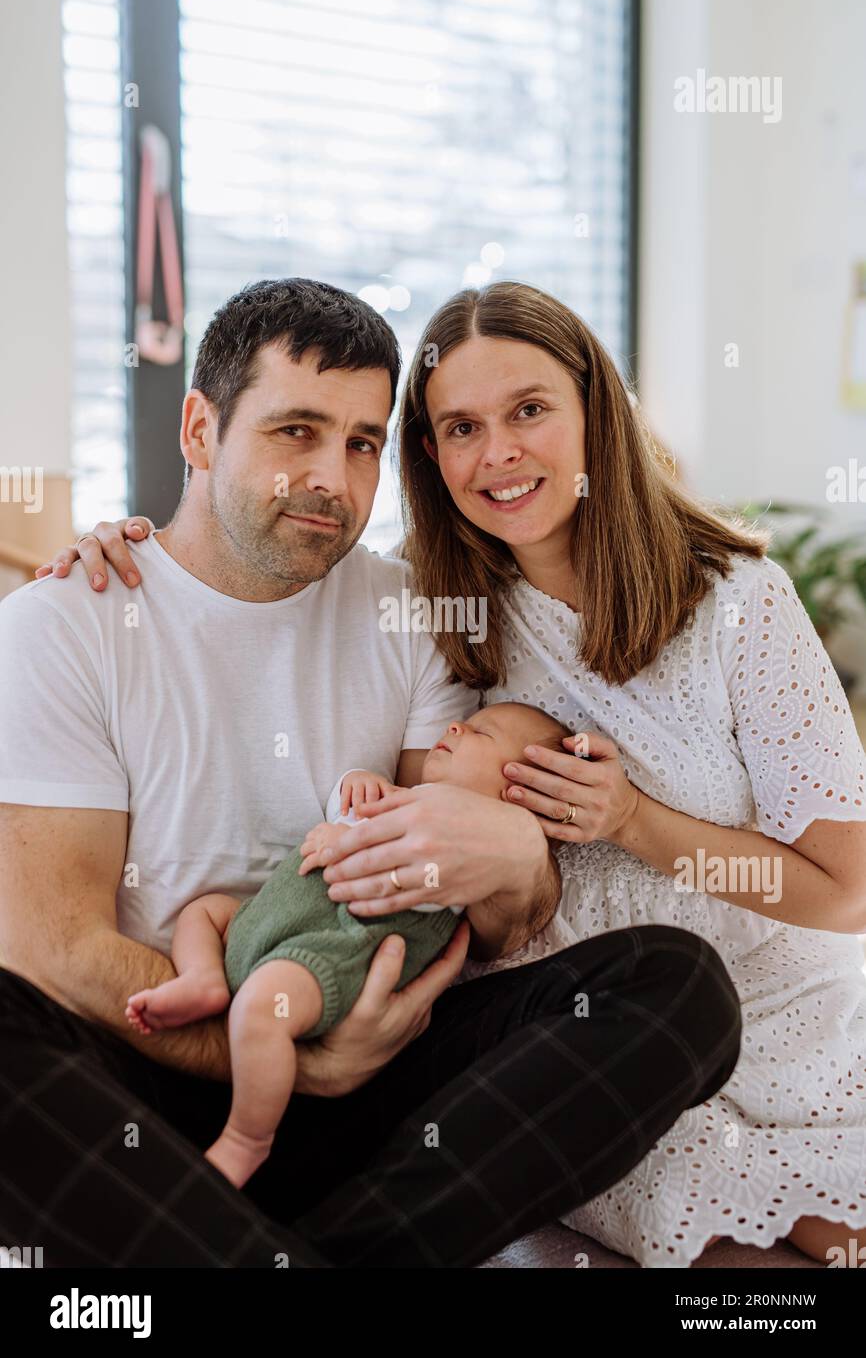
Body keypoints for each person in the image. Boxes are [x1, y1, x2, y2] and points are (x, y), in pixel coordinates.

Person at [72, 277, 866, 1268]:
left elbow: (844, 892)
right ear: (428, 454)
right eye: (457, 427)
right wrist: (129, 546)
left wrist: (632, 819)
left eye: (528, 410)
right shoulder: (438, 601)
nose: (496, 454)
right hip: (579, 1046)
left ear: (594, 412)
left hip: (784, 1025)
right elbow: (250, 566)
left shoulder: (738, 603)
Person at [126, 703, 571, 1192]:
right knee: (204, 911)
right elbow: (345, 811)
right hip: (261, 920)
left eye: (482, 733)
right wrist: (353, 787)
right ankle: (203, 978)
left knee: (260, 1012)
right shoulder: (402, 796)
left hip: (326, 952)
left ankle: (246, 1137)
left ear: (515, 796)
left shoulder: (463, 858)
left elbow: (418, 887)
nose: (456, 724)